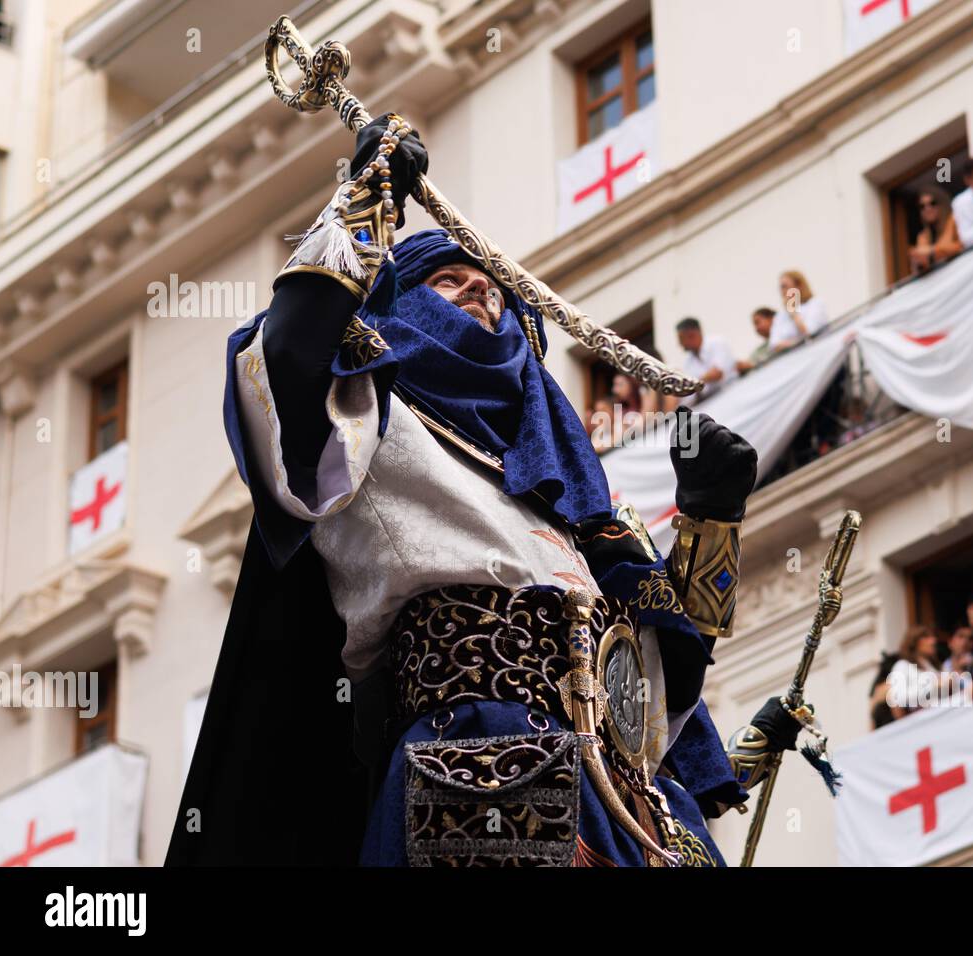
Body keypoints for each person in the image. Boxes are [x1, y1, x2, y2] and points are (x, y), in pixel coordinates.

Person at [168, 113, 804, 868]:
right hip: (478, 764)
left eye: (495, 290)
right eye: (450, 280)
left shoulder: (574, 509)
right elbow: (287, 363)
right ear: (398, 301)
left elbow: (653, 699)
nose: (482, 294)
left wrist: (711, 520)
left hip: (618, 803)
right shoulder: (373, 414)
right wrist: (368, 198)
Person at [886, 624, 946, 719]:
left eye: (932, 637)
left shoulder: (937, 667)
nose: (933, 641)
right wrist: (931, 686)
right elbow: (896, 699)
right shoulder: (903, 666)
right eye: (926, 637)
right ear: (913, 642)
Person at [769, 270, 828, 353]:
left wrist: (794, 314)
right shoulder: (781, 315)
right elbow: (773, 345)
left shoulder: (815, 304)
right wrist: (797, 342)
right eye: (781, 287)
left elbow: (810, 333)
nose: (782, 291)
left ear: (799, 286)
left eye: (785, 286)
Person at [908, 187, 963, 274]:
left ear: (941, 204)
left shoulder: (953, 221)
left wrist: (933, 251)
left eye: (932, 203)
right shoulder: (922, 237)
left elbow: (963, 244)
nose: (927, 209)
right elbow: (923, 265)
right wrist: (918, 264)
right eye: (922, 206)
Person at [676, 317, 737, 395]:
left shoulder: (717, 342)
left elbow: (717, 373)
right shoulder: (688, 361)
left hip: (732, 389)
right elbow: (693, 389)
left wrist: (695, 383)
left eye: (681, 339)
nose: (679, 344)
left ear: (691, 335)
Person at [736, 307, 776, 374]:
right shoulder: (759, 350)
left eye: (757, 322)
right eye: (754, 325)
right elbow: (749, 362)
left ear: (771, 319)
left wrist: (753, 365)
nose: (757, 328)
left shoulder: (789, 336)